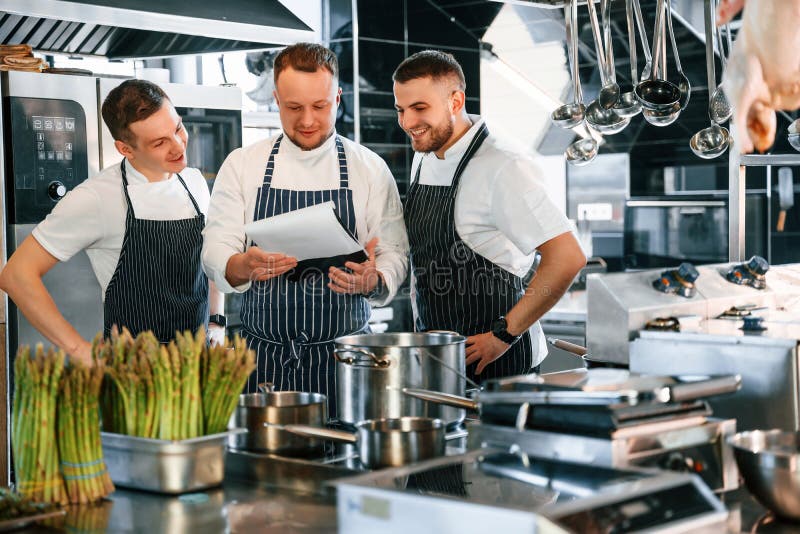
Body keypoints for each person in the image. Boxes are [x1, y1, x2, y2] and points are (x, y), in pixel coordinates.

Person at [202, 43, 408, 415]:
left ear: (338, 97)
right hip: (262, 362)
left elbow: (395, 253)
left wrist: (374, 280)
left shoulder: (370, 168)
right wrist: (242, 266)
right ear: (276, 99)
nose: (308, 120)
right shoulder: (243, 164)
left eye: (320, 106)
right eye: (294, 108)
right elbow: (216, 248)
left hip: (347, 362)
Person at [393, 50, 586, 382]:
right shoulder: (425, 156)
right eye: (401, 110)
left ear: (455, 102)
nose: (408, 123)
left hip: (502, 366)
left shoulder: (503, 165)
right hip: (442, 361)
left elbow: (568, 257)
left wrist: (503, 336)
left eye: (420, 108)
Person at [0, 79, 225, 364]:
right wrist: (81, 352)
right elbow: (16, 275)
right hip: (132, 373)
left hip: (199, 367)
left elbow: (209, 260)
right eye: (159, 142)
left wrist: (216, 320)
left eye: (177, 128)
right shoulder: (96, 198)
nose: (178, 146)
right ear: (125, 149)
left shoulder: (193, 182)